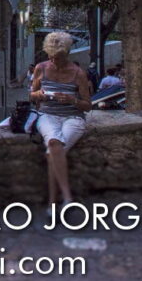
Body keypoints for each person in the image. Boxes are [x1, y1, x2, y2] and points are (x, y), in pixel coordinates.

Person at [30, 31, 92, 206]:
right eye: (51, 57)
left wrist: (72, 100)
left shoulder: (78, 73)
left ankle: (52, 202)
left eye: (58, 58)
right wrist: (39, 94)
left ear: (66, 55)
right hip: (47, 115)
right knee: (54, 144)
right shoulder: (41, 68)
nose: (54, 61)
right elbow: (31, 95)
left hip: (72, 117)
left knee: (53, 151)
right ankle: (66, 198)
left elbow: (88, 104)